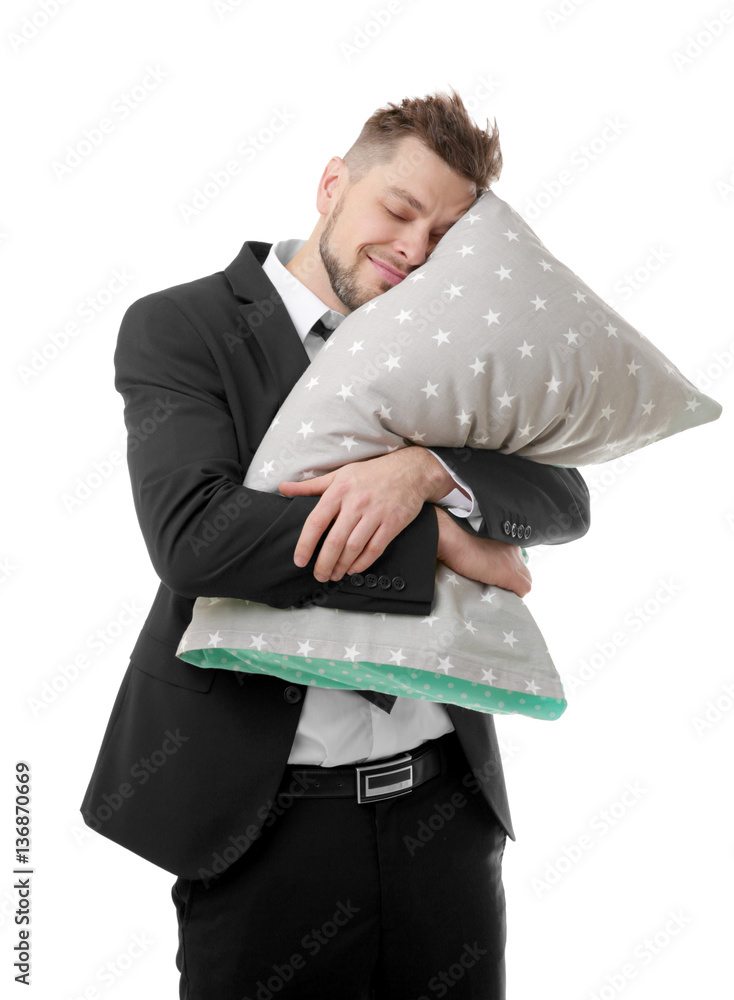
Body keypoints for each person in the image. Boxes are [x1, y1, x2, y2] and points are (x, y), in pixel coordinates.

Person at [80, 90, 590, 999]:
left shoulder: (448, 345)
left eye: (444, 237)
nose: (415, 250)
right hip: (265, 833)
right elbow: (198, 538)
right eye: (400, 210)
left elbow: (563, 498)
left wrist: (427, 470)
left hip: (447, 815)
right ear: (330, 186)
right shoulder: (183, 326)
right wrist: (436, 540)